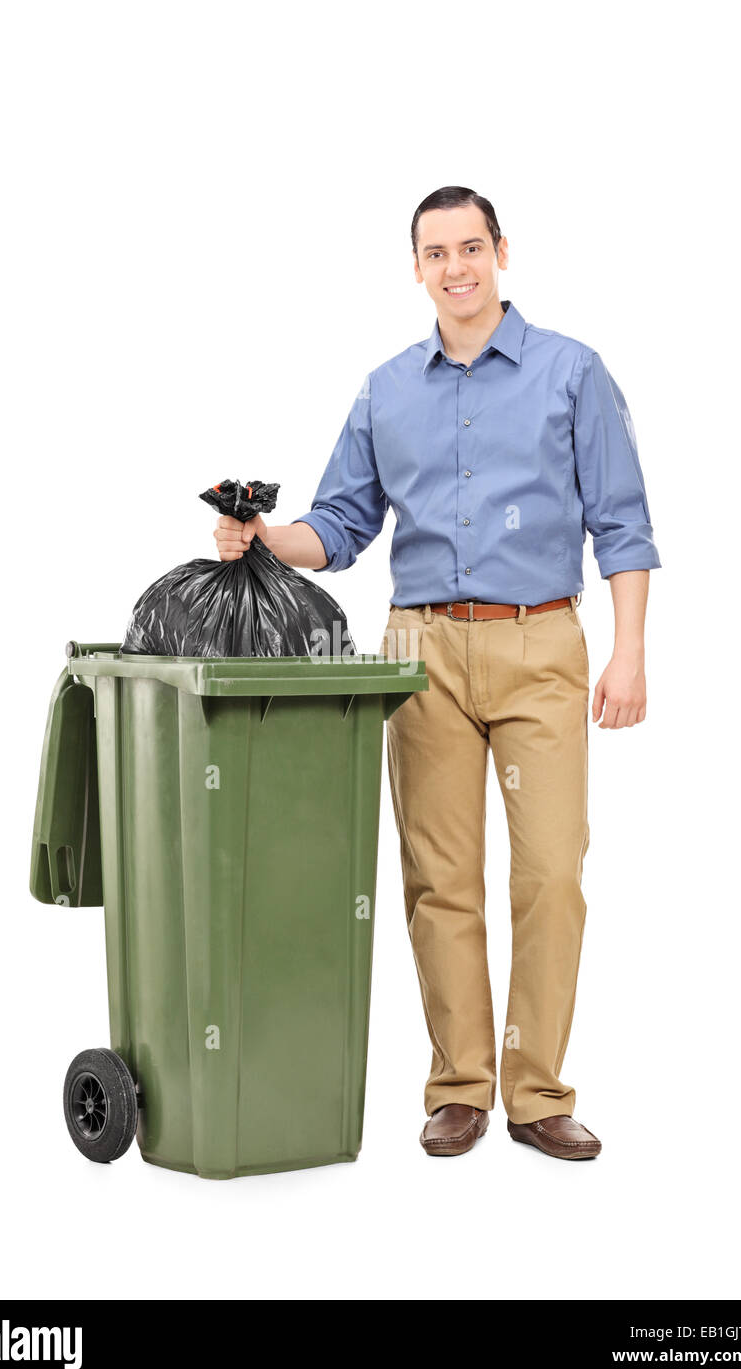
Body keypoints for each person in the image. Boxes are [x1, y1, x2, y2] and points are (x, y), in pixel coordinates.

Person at [214, 185, 660, 1162]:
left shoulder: (569, 372)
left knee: (549, 871)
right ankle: (458, 1086)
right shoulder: (386, 390)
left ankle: (536, 1092)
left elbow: (620, 521)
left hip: (541, 643)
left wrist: (627, 649)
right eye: (434, 253)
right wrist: (259, 538)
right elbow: (337, 525)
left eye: (470, 247)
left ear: (500, 251)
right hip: (417, 653)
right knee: (437, 879)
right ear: (414, 268)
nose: (455, 267)